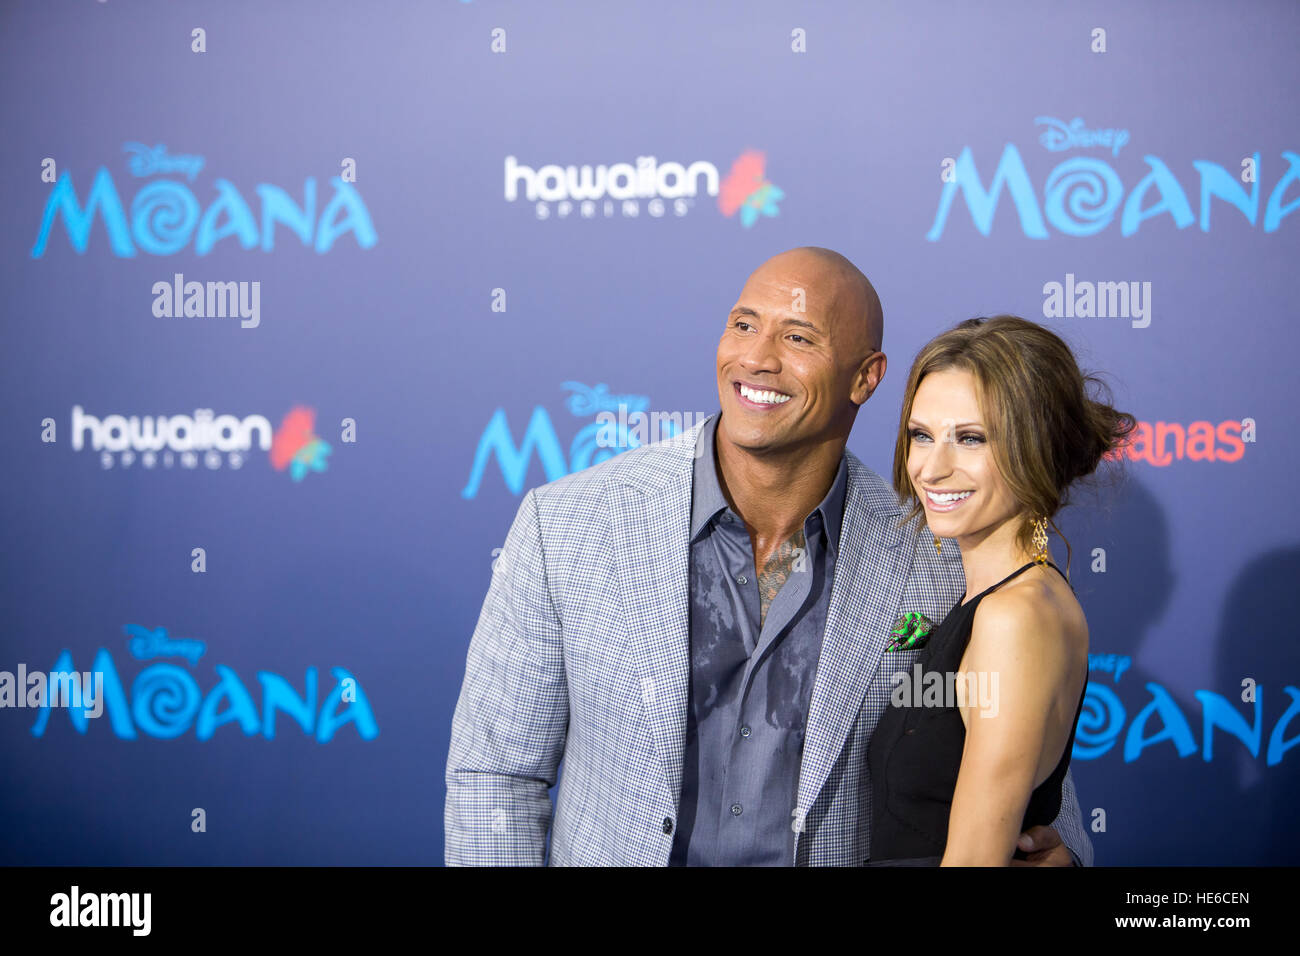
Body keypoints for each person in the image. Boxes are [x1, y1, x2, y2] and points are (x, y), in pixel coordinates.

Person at [445, 247, 1093, 865]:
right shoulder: (568, 525)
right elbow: (495, 772)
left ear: (866, 377)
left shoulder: (938, 554)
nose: (757, 358)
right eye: (743, 325)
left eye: (798, 337)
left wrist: (1062, 857)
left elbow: (1023, 773)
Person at [866, 315, 1136, 865]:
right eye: (921, 435)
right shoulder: (1000, 602)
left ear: (1036, 447)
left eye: (971, 438)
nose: (931, 468)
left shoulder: (1016, 616)